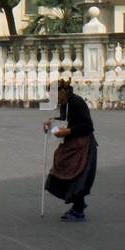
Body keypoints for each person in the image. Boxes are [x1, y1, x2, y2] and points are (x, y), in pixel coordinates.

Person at [43, 79, 97, 222]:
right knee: (62, 168)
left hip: (83, 144)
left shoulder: (76, 102)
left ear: (62, 92)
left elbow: (88, 126)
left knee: (77, 175)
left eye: (54, 95)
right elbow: (64, 120)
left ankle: (78, 210)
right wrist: (51, 123)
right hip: (71, 143)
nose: (53, 99)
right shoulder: (64, 104)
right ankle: (78, 205)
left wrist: (68, 131)